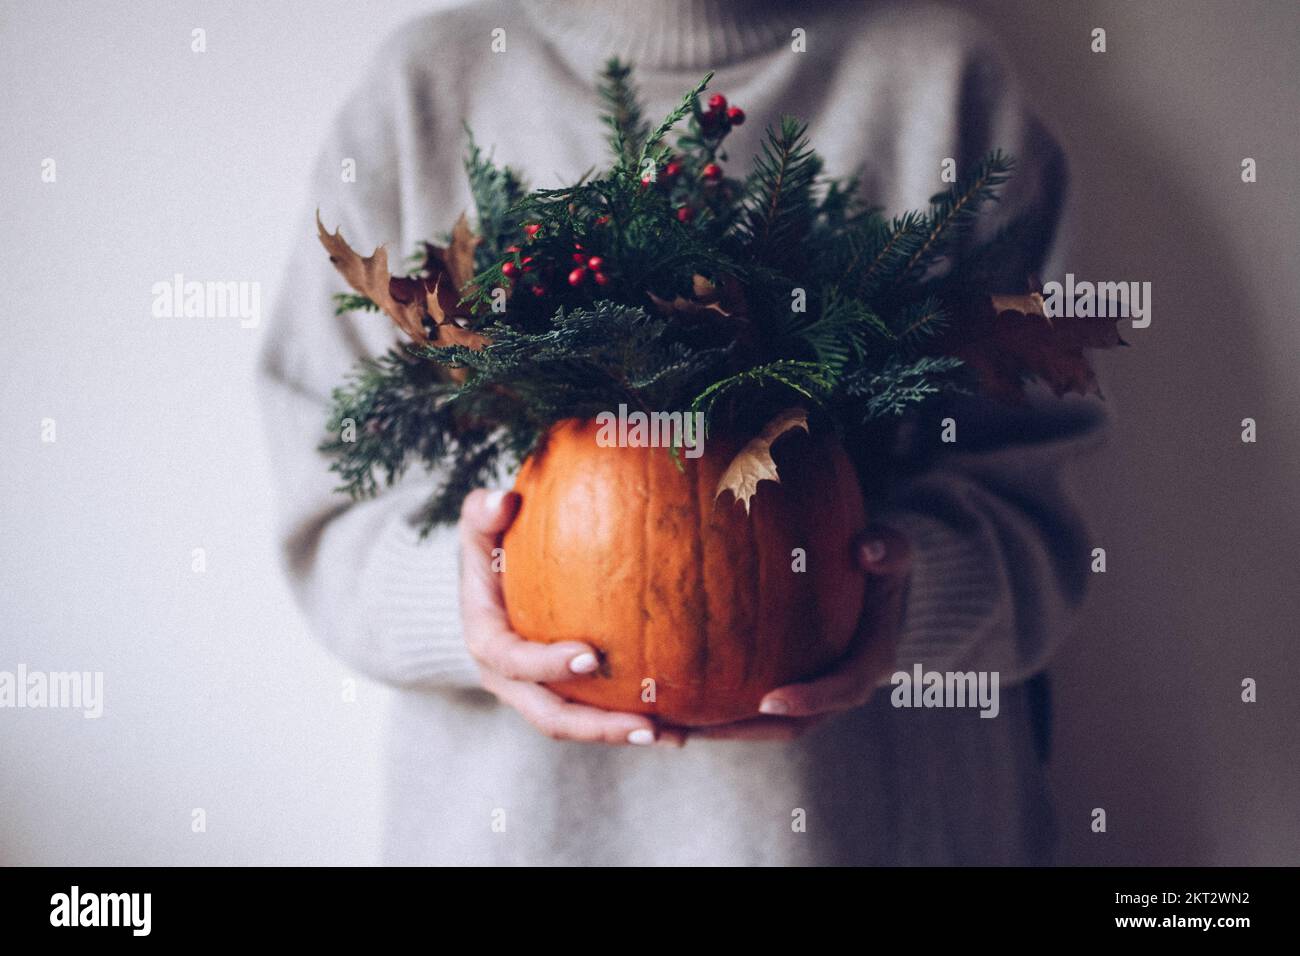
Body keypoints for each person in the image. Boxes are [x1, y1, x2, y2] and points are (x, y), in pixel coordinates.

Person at [259, 0, 1105, 865]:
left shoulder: (946, 76)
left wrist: (894, 599)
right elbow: (327, 510)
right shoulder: (427, 83)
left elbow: (1041, 527)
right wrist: (480, 606)